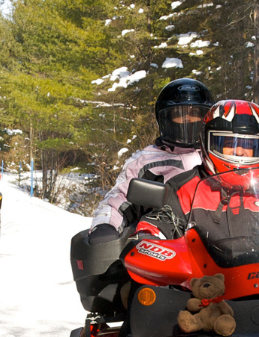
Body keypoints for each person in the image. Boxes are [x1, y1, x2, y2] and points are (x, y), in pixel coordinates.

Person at [87, 78, 213, 240]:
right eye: (179, 115)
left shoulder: (217, 156)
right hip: (161, 246)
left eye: (194, 114)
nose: (187, 120)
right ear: (165, 119)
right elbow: (119, 200)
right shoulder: (145, 161)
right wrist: (105, 226)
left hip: (216, 246)